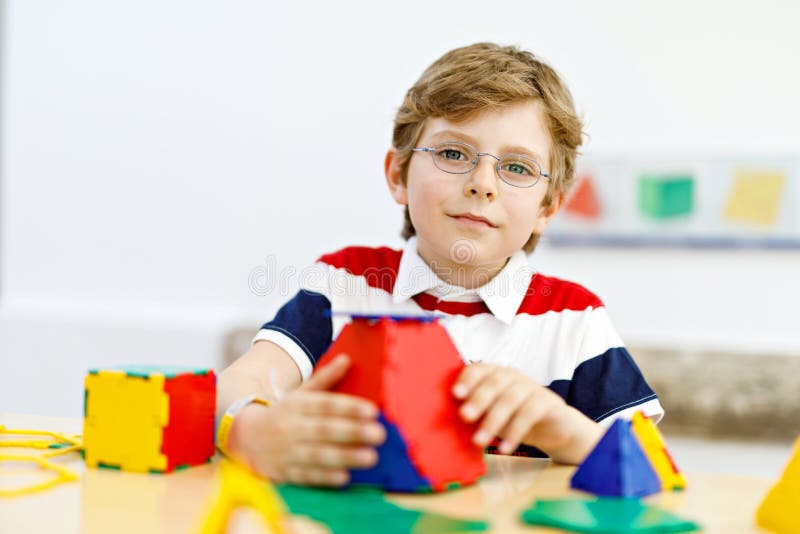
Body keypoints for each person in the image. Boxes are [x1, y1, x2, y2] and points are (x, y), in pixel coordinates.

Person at [217, 42, 663, 487]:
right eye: (452, 154)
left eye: (518, 167)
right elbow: (241, 382)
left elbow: (650, 463)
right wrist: (251, 433)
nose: (482, 184)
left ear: (548, 207)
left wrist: (560, 428)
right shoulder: (344, 284)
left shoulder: (574, 320)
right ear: (398, 175)